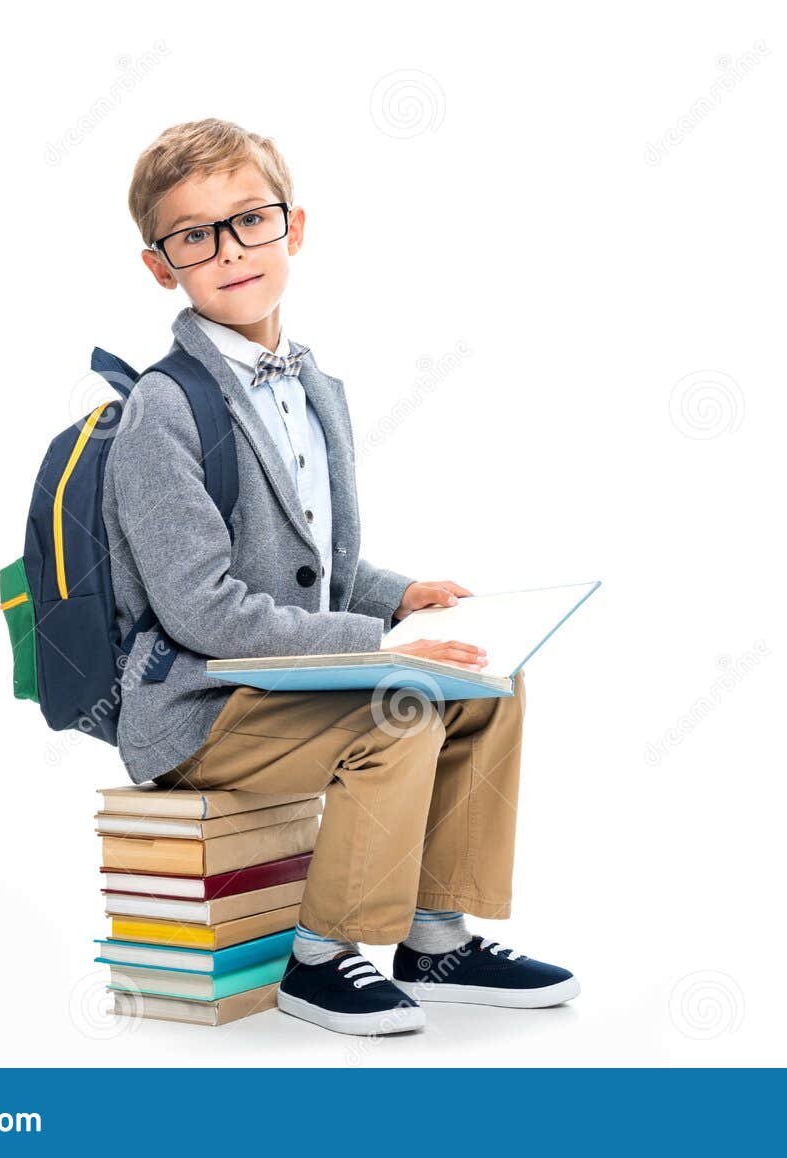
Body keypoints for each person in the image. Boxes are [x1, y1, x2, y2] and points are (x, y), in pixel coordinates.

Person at [103, 119, 577, 1036]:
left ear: (296, 227)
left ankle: (437, 936)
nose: (229, 251)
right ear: (163, 267)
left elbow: (323, 564)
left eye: (249, 220)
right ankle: (319, 960)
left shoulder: (317, 386)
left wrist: (397, 597)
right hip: (203, 705)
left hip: (283, 680)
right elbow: (203, 608)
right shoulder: (165, 408)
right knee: (398, 711)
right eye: (194, 236)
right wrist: (385, 643)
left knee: (488, 683)